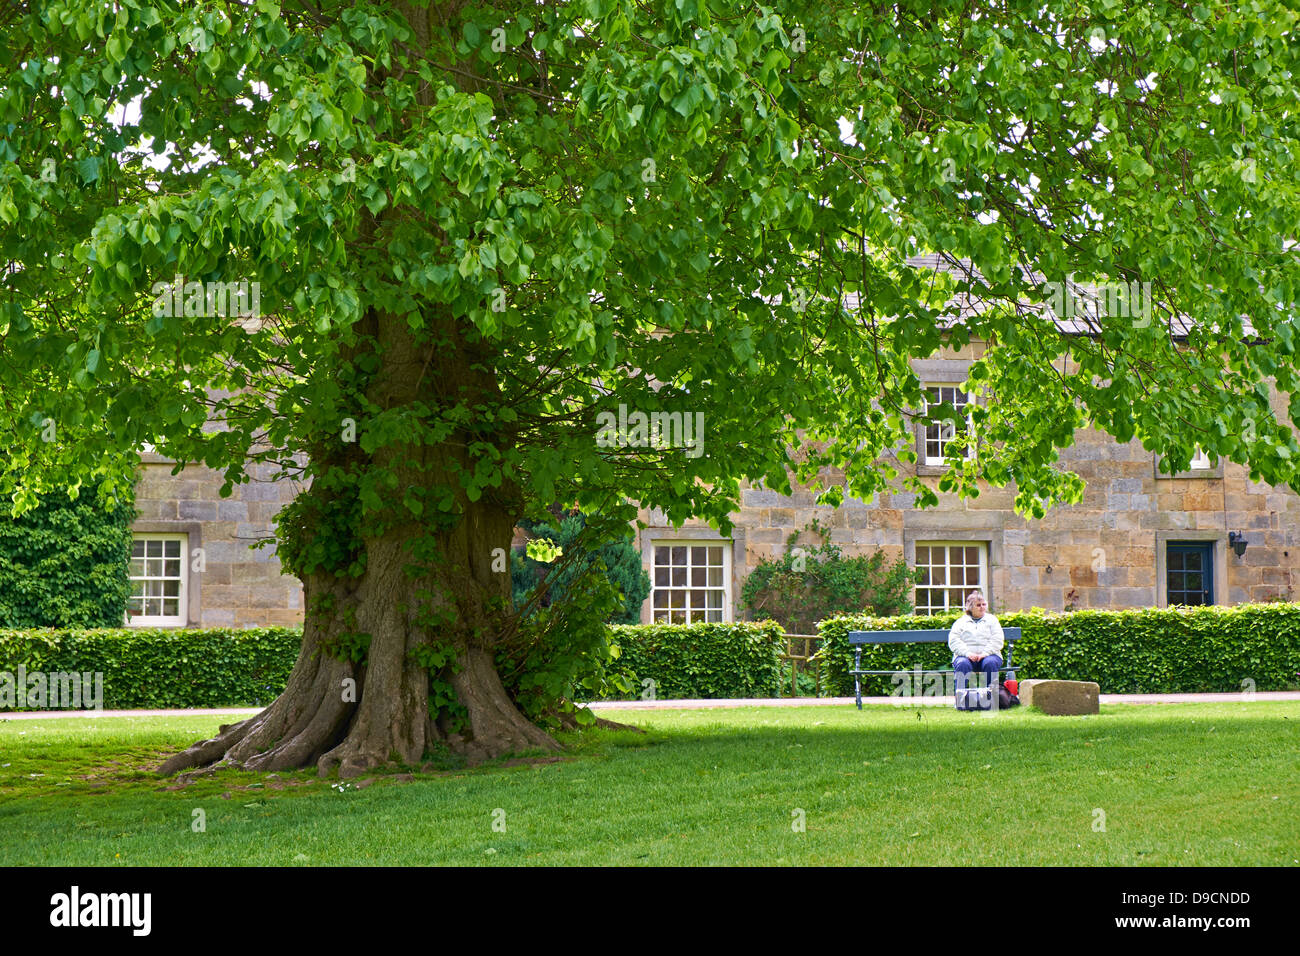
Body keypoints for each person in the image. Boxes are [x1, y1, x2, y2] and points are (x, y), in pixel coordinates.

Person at [948, 590, 1004, 690]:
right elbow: (954, 640)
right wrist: (968, 653)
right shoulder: (960, 622)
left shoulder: (992, 620)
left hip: (990, 655)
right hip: (965, 657)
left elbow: (997, 639)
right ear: (970, 607)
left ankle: (992, 697)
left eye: (984, 604)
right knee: (962, 664)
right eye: (978, 605)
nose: (982, 607)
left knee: (989, 663)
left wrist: (985, 653)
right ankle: (960, 698)